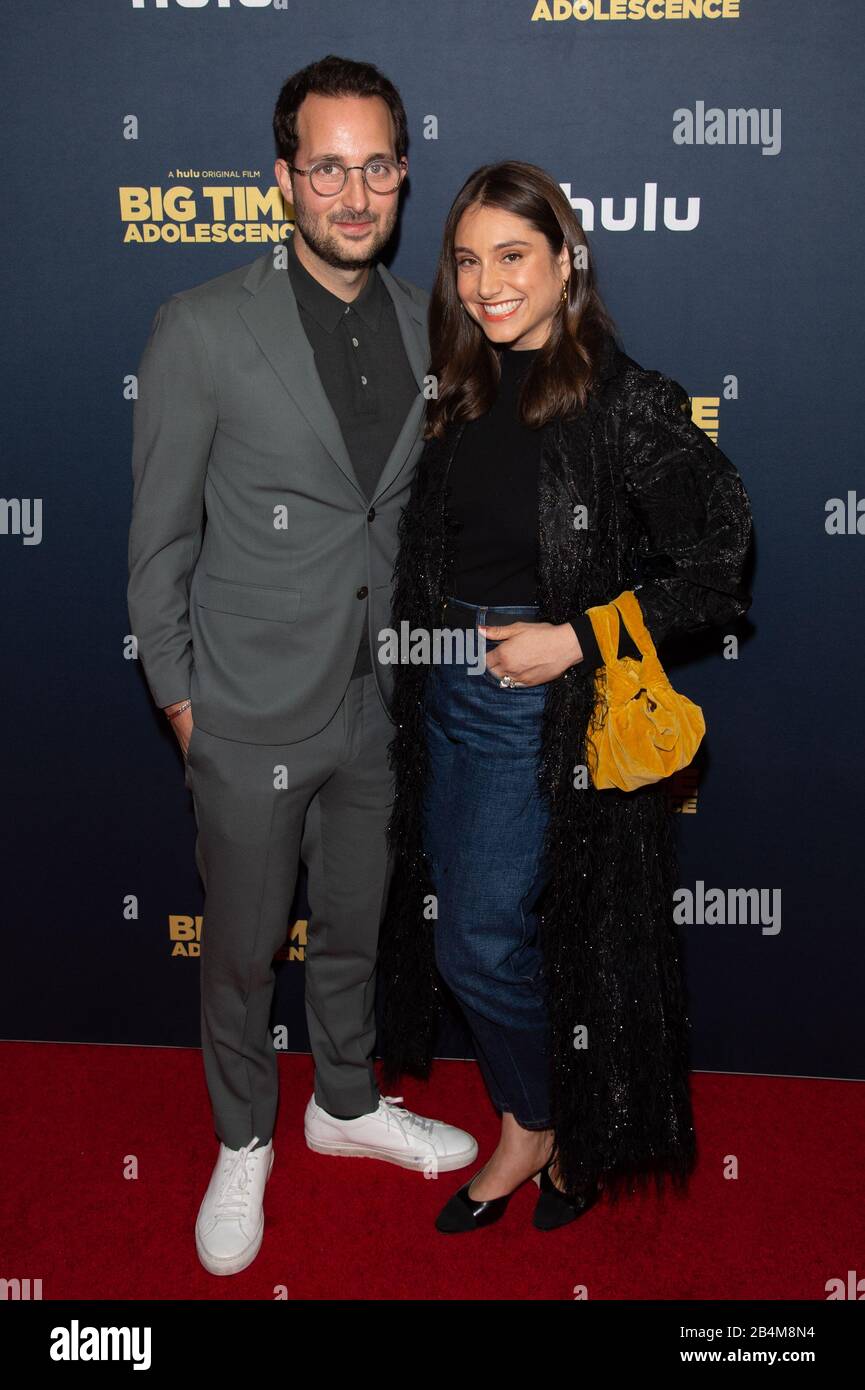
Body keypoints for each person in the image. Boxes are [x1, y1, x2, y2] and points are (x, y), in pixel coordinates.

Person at [127, 55, 476, 1277]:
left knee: (353, 924)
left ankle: (341, 1098)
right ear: (283, 180)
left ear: (400, 174)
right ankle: (242, 1137)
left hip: (378, 703)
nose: (352, 190)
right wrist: (186, 706)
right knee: (236, 946)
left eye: (375, 164)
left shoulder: (427, 319)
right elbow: (158, 542)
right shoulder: (203, 325)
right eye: (325, 165)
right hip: (247, 711)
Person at [376, 160, 753, 1233]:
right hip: (432, 686)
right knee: (484, 929)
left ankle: (538, 1122)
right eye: (467, 261)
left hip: (530, 705)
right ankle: (550, 1118)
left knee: (481, 938)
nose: (489, 283)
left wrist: (575, 639)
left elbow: (718, 559)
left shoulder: (624, 402)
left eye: (513, 256)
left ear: (565, 261)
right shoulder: (459, 388)